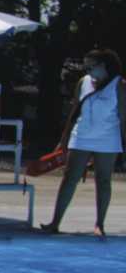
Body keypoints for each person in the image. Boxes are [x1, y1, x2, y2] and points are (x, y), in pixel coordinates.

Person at [42, 48, 120, 236]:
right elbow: (75, 111)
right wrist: (64, 139)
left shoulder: (119, 86)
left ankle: (99, 224)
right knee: (70, 178)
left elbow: (123, 117)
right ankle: (55, 222)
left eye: (92, 66)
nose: (88, 70)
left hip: (107, 137)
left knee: (103, 180)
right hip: (82, 135)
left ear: (105, 66)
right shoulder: (83, 83)